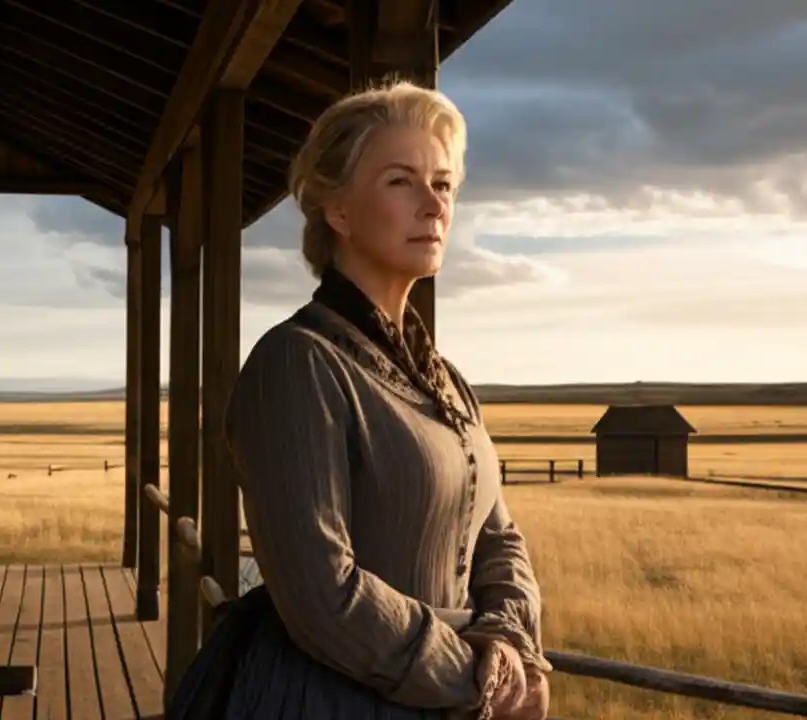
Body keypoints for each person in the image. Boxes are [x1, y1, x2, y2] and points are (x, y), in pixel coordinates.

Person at [166, 80, 552, 720]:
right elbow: (323, 594)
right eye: (401, 181)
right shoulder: (297, 363)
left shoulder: (445, 379)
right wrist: (478, 682)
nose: (433, 205)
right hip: (319, 698)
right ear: (337, 210)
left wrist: (509, 641)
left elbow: (498, 536)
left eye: (444, 184)